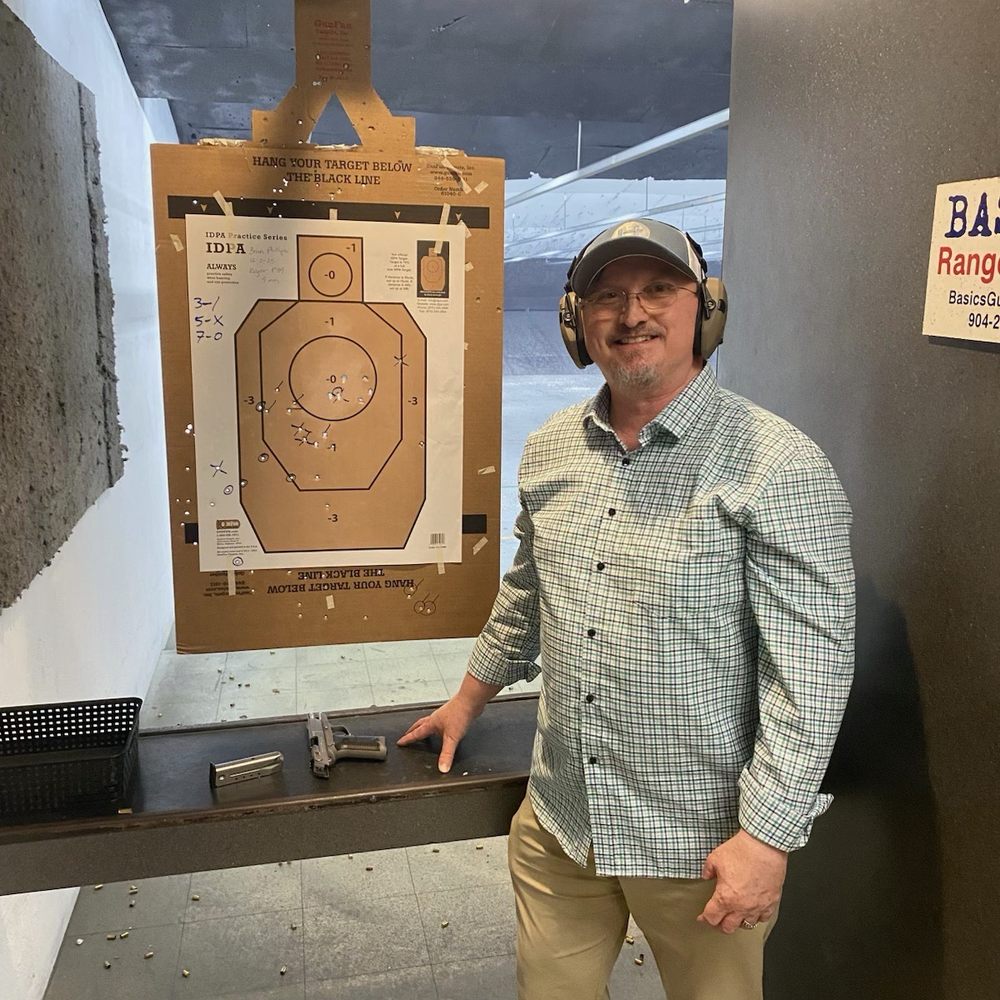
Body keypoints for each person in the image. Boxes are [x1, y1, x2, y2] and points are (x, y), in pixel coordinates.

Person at [398, 218, 855, 1000]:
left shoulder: (778, 464)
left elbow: (809, 672)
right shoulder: (552, 447)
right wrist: (466, 700)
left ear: (705, 309)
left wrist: (767, 837)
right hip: (562, 820)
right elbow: (528, 592)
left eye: (658, 289)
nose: (631, 313)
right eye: (607, 295)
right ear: (576, 322)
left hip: (700, 842)